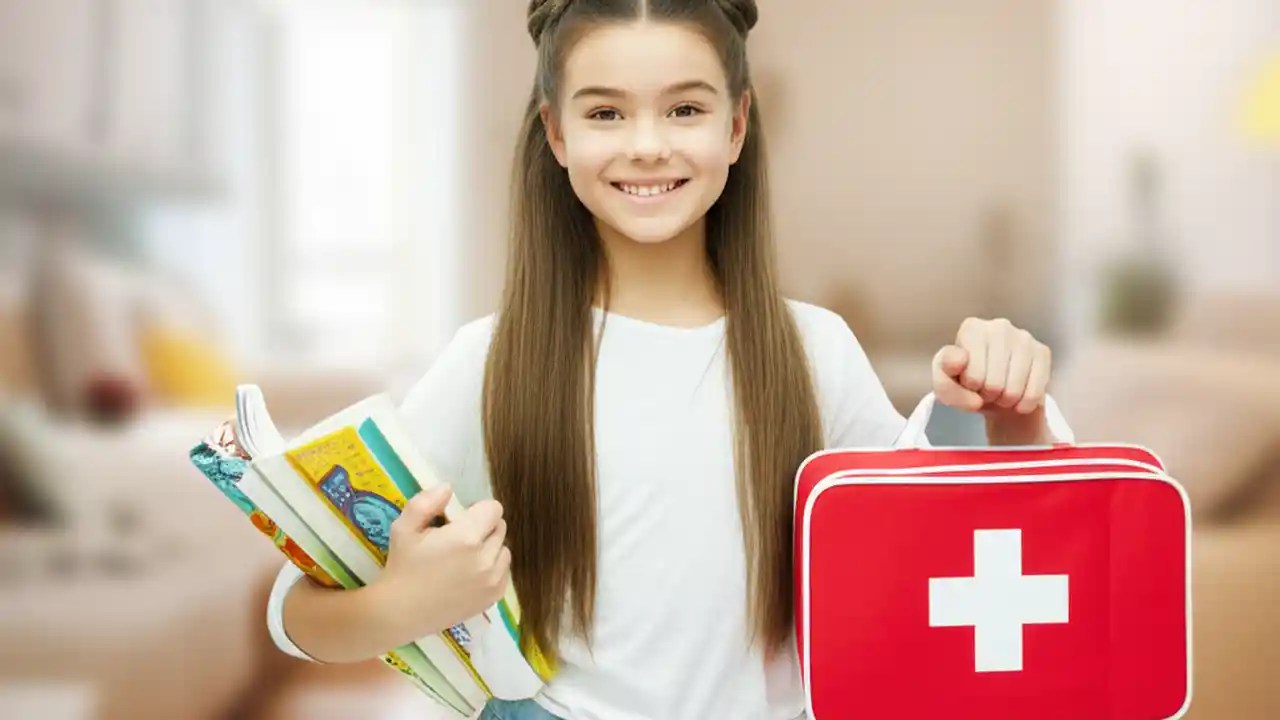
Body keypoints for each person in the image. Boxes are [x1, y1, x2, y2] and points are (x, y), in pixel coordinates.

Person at [266, 1, 1058, 718]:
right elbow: (294, 613)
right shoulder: (492, 361)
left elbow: (949, 561)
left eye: (685, 109)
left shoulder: (815, 353)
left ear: (737, 126)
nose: (647, 146)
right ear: (556, 133)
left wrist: (1006, 415)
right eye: (605, 113)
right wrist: (401, 605)